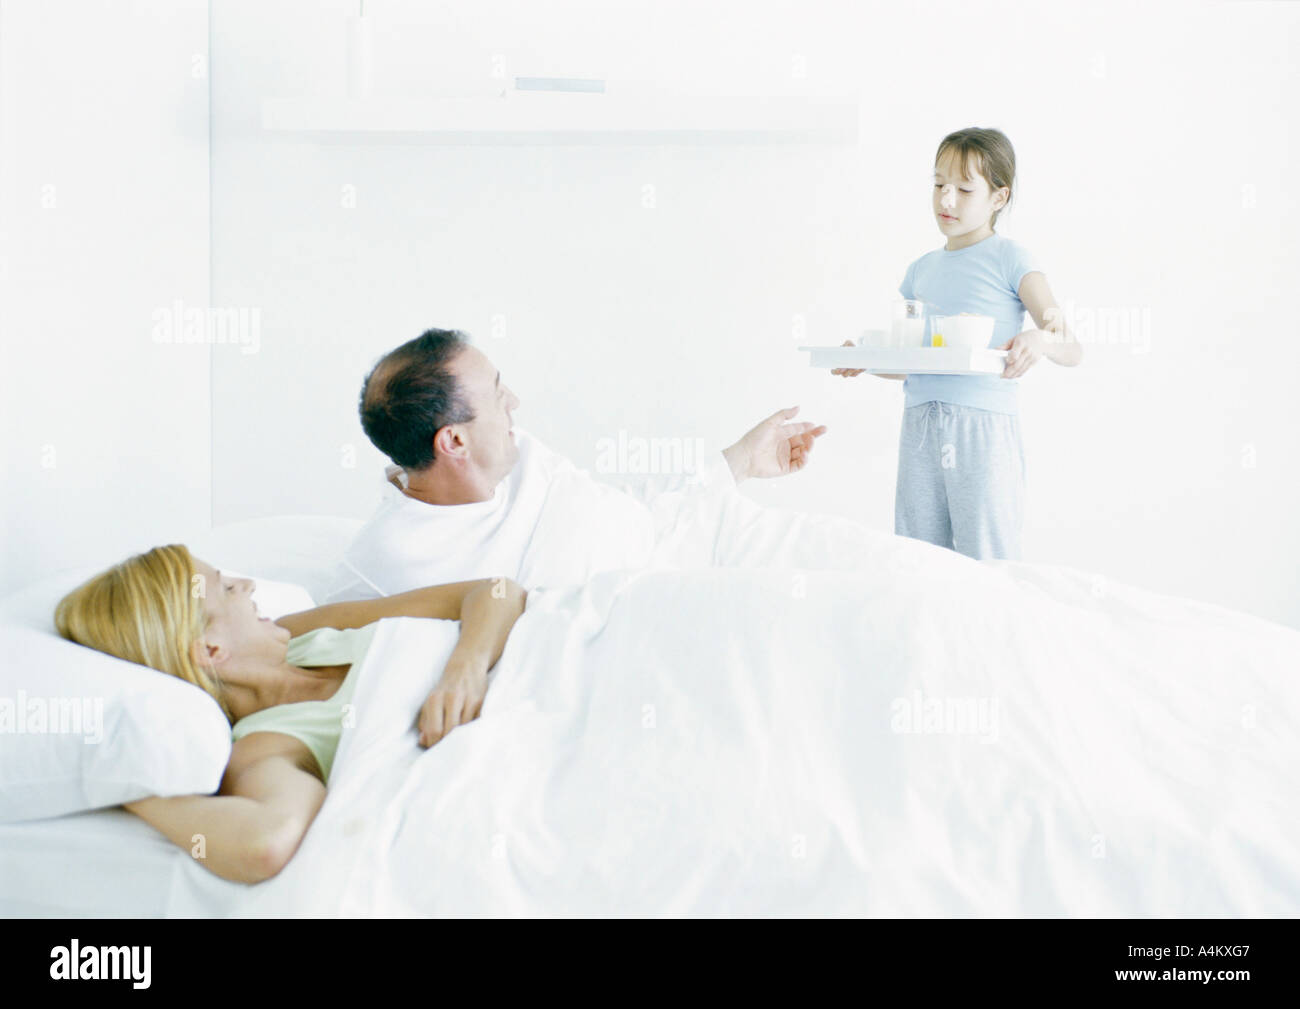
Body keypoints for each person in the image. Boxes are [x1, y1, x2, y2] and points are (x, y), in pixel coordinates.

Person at [53, 545, 527, 883]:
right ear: (211, 648)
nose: (249, 585)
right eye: (228, 588)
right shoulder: (266, 745)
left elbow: (497, 591)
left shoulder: (302, 631)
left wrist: (465, 667)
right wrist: (131, 791)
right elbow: (267, 843)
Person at [327, 328, 851, 602]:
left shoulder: (520, 456)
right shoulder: (383, 564)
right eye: (495, 394)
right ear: (454, 442)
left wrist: (738, 462)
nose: (514, 400)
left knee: (896, 574)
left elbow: (622, 505)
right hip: (671, 600)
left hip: (714, 533)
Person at [834, 127, 1082, 560]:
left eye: (965, 189)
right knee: (915, 556)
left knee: (988, 559)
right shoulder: (920, 271)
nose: (946, 200)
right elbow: (913, 361)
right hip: (920, 428)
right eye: (939, 185)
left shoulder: (1012, 259)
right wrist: (866, 359)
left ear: (998, 198)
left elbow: (1071, 345)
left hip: (981, 429)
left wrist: (1039, 340)